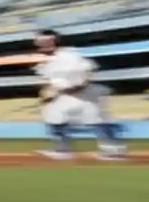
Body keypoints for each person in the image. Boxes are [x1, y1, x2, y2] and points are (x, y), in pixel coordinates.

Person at [33, 29, 127, 161]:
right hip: (64, 94)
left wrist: (80, 86)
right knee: (54, 116)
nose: (39, 44)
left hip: (86, 92)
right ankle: (62, 150)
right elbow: (48, 81)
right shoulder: (44, 61)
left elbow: (87, 71)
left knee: (96, 120)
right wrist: (46, 95)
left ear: (54, 41)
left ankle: (113, 152)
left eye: (43, 41)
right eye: (38, 41)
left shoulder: (70, 54)